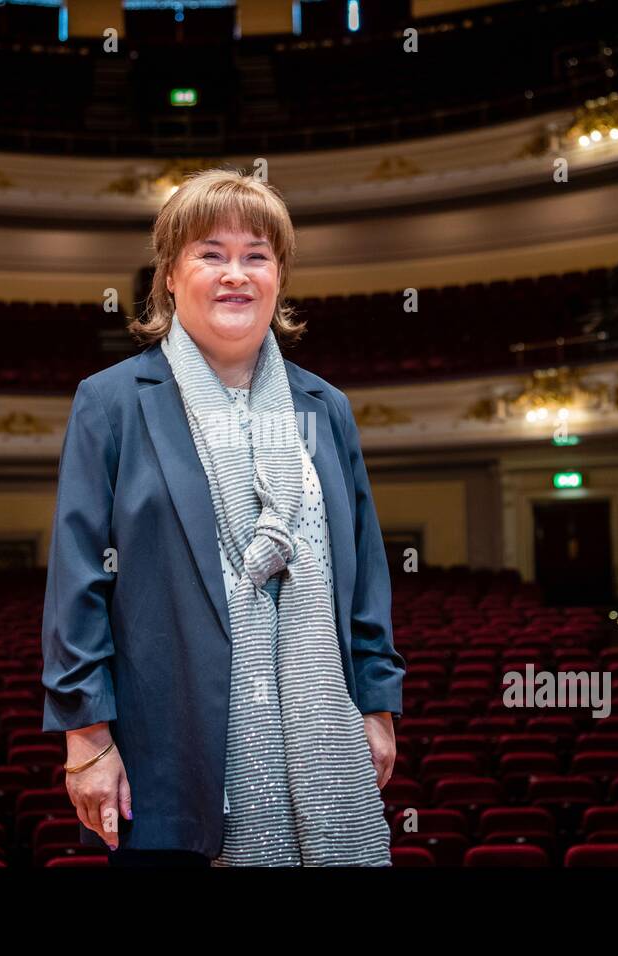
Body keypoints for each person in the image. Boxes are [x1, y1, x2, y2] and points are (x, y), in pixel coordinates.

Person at [40, 167, 406, 867]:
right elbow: (78, 582)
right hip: (165, 750)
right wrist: (86, 741)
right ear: (170, 276)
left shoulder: (324, 407)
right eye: (211, 253)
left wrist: (377, 705)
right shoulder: (112, 402)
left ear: (279, 277)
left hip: (325, 735)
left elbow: (365, 577)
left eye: (256, 256)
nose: (235, 274)